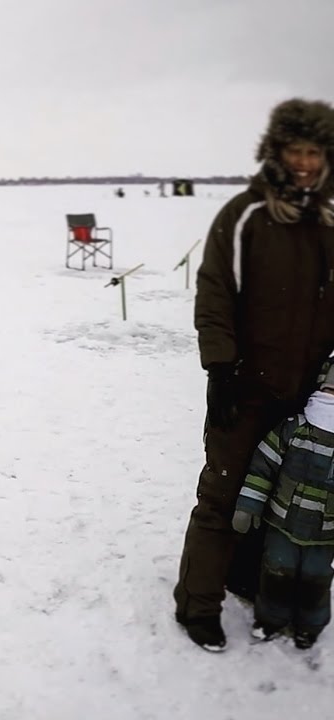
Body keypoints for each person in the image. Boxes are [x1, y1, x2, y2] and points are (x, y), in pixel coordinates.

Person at [173, 96, 334, 652]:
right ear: (277, 151)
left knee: (278, 499)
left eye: (315, 151)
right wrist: (220, 369)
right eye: (296, 150)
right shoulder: (246, 214)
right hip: (245, 389)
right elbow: (214, 293)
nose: (306, 163)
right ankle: (197, 604)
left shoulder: (330, 219)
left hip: (308, 398)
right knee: (221, 498)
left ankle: (247, 578)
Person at [232, 359, 334, 649]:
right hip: (281, 523)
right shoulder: (291, 429)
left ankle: (309, 627)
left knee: (316, 580)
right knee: (276, 572)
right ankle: (270, 620)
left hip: (324, 535)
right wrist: (248, 505)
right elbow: (263, 466)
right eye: (328, 391)